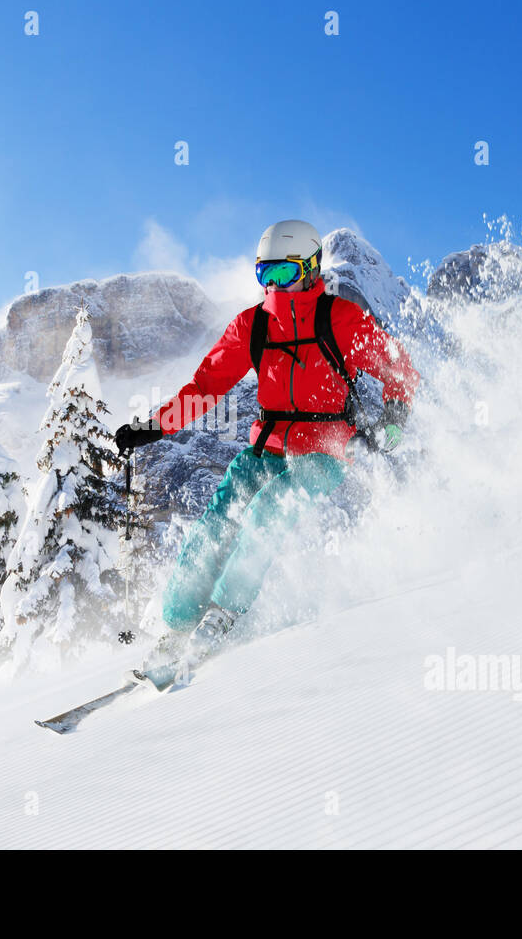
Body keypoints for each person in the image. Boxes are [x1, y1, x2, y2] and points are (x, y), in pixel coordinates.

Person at [115, 220, 419, 667]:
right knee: (218, 519)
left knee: (268, 511)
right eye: (266, 274)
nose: (275, 286)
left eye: (285, 274)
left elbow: (398, 366)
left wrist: (394, 415)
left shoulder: (340, 318)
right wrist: (155, 427)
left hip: (326, 450)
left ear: (312, 269)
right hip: (267, 448)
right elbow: (206, 386)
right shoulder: (253, 326)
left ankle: (223, 615)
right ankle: (177, 624)